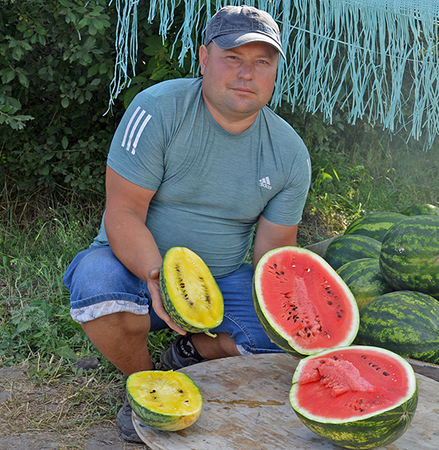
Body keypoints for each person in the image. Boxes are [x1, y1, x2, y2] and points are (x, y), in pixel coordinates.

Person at [62, 5, 310, 443]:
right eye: (232, 57)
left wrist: (294, 318)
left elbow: (273, 258)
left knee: (286, 341)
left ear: (275, 72)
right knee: (96, 285)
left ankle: (191, 351)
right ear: (203, 58)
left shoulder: (290, 152)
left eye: (261, 62)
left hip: (223, 279)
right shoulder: (158, 110)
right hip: (136, 270)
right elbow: (123, 213)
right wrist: (157, 277)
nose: (246, 73)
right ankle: (144, 383)